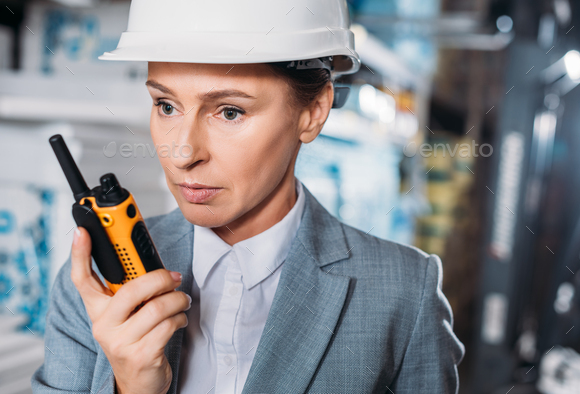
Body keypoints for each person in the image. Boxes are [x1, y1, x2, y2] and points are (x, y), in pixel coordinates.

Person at [31, 1, 465, 393]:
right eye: (166, 105)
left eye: (230, 111)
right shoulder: (97, 289)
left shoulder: (404, 294)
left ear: (313, 111)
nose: (183, 153)